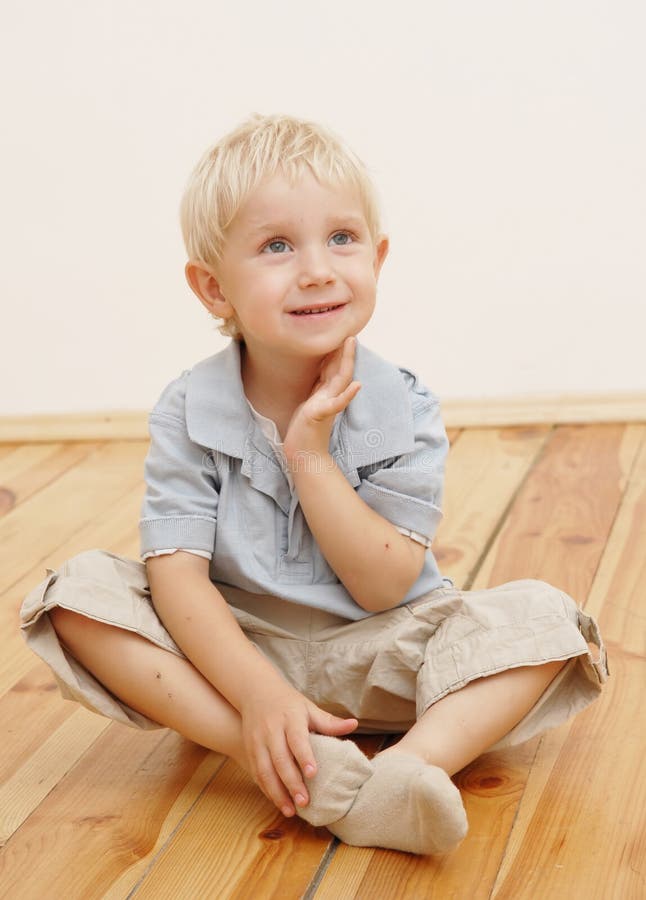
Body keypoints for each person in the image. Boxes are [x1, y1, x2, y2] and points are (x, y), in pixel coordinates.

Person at [20, 114, 608, 856]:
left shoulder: (404, 404)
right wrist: (259, 696)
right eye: (275, 247)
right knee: (75, 596)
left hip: (388, 649)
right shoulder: (188, 407)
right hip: (237, 655)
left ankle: (403, 770)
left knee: (547, 621)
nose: (318, 270)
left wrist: (312, 458)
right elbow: (178, 579)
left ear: (378, 257)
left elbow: (385, 586)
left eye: (342, 239)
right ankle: (273, 751)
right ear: (213, 288)